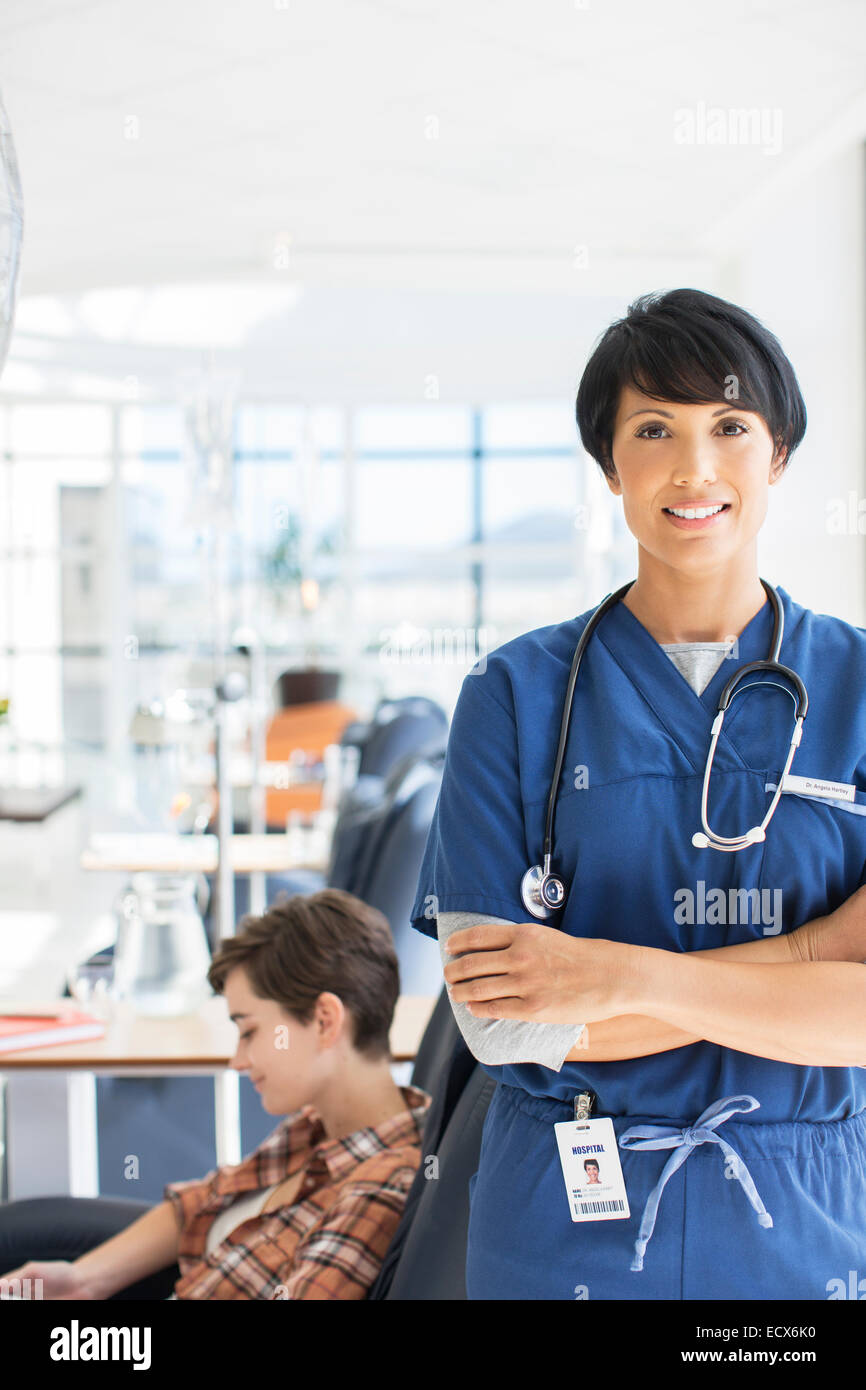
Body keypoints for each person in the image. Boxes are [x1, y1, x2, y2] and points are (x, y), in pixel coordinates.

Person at [410, 287, 866, 1301]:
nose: (693, 466)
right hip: (564, 1236)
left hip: (801, 1235)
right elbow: (504, 1026)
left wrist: (618, 978)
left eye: (729, 426)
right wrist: (807, 957)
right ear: (609, 465)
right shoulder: (513, 695)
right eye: (653, 428)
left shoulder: (859, 685)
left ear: (778, 454)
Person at [0, 889, 431, 1300]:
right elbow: (204, 1201)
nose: (238, 1060)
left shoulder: (375, 1191)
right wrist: (82, 1282)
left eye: (249, 1031)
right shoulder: (321, 1127)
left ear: (323, 1021)